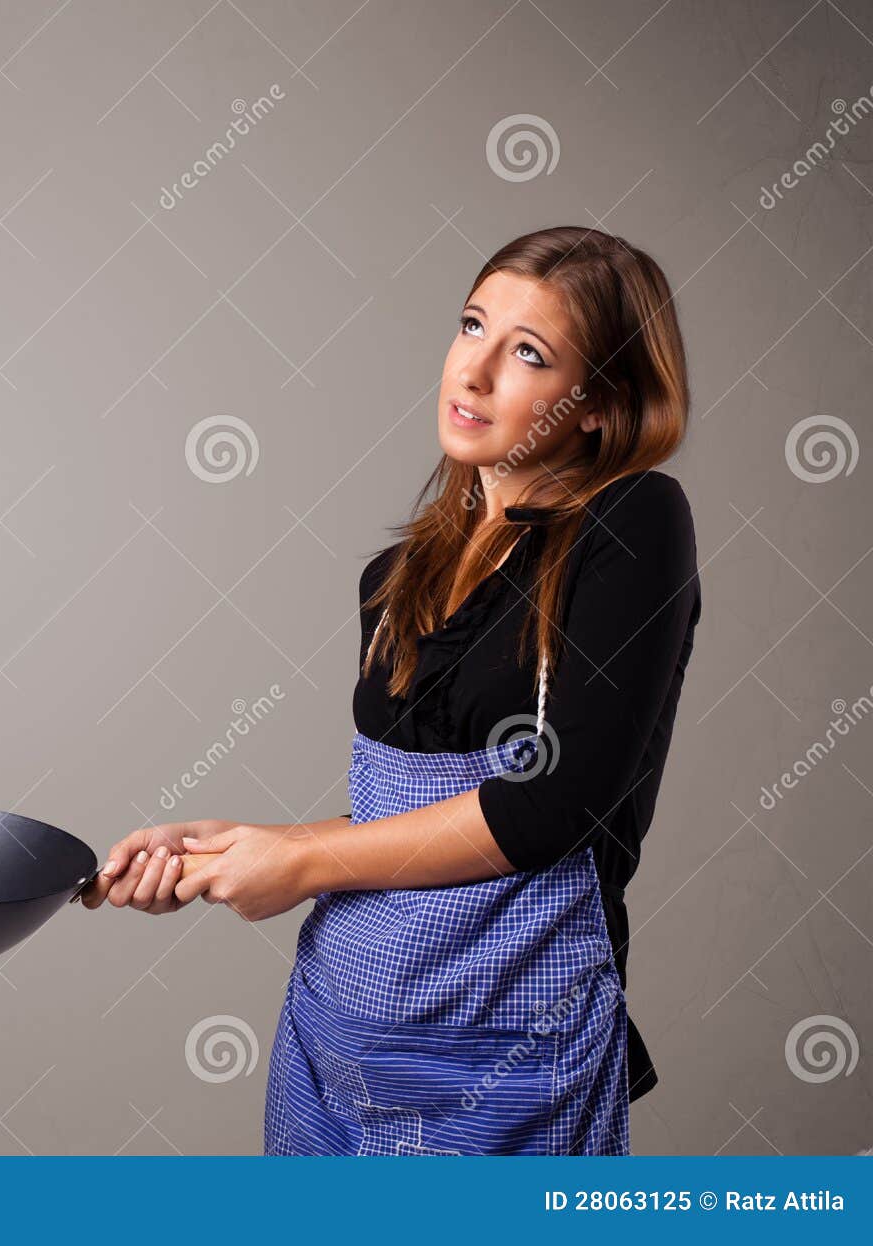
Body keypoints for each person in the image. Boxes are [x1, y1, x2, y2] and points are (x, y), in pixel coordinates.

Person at [84, 226, 701, 1156]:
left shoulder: (632, 524)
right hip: (334, 1042)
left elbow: (552, 807)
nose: (475, 371)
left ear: (596, 405)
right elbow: (405, 820)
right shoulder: (395, 575)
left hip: (505, 1063)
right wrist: (239, 848)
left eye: (528, 354)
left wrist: (300, 867)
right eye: (471, 326)